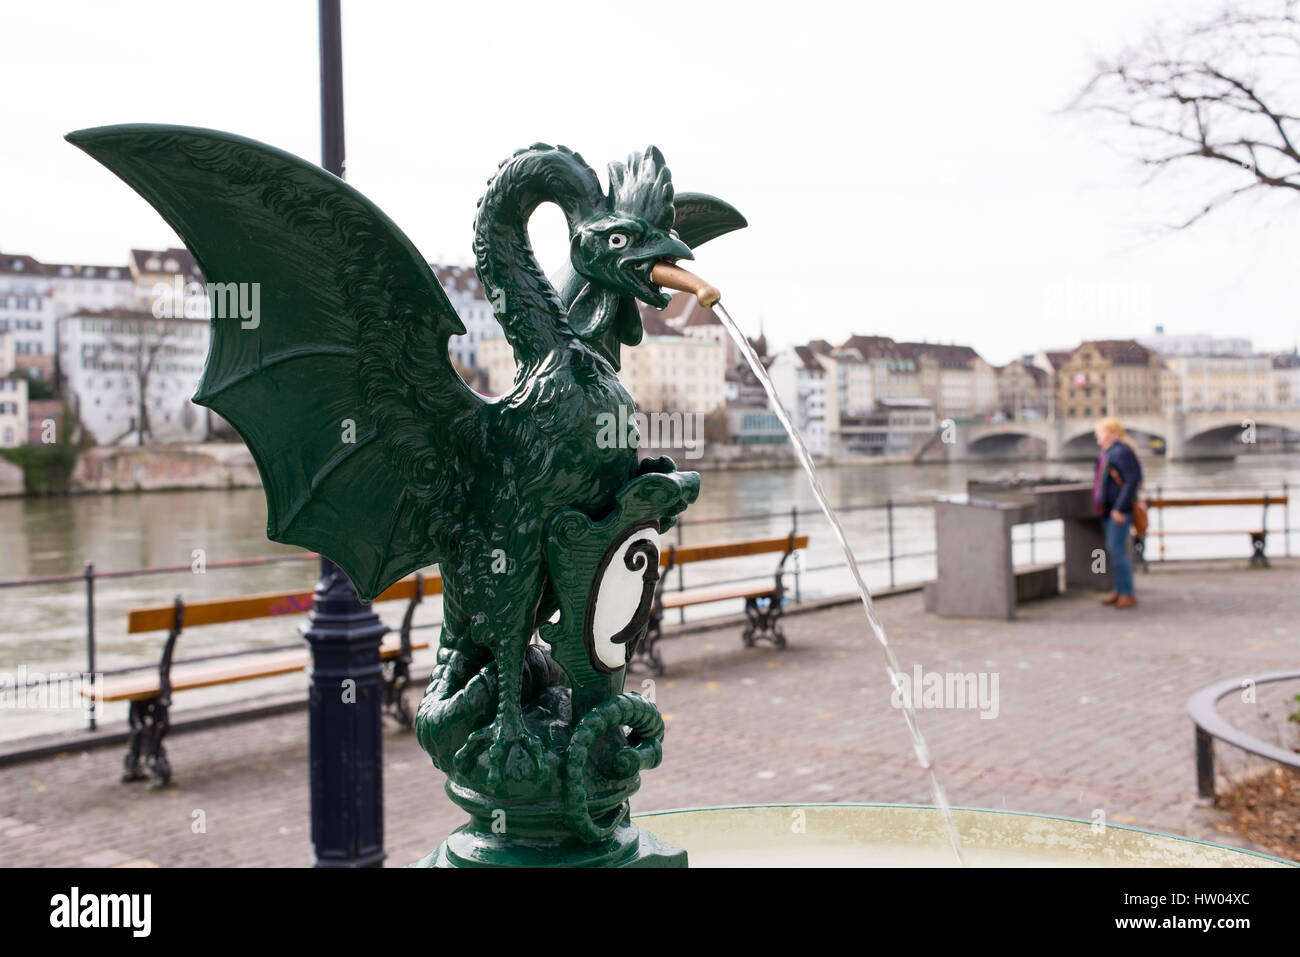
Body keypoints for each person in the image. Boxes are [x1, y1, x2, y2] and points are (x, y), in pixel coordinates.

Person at [1093, 417, 1143, 608]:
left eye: (1101, 432)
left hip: (1117, 509)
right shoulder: (1111, 452)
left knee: (1116, 550)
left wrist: (1120, 508)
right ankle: (1119, 589)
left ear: (1113, 434)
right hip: (1109, 508)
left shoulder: (1121, 452)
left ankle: (1127, 593)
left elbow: (1132, 481)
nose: (1097, 436)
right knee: (1113, 550)